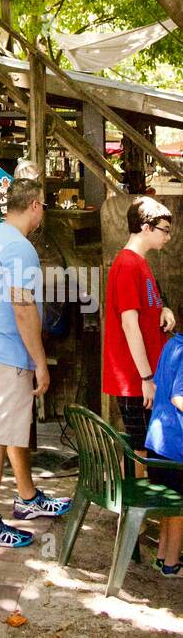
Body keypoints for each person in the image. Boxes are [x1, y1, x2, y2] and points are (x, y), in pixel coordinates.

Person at [0, 178, 71, 547]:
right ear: (35, 206)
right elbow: (23, 307)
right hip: (7, 350)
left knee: (11, 425)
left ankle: (27, 498)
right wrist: (40, 361)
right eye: (43, 204)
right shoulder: (21, 248)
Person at [102, 196, 176, 468]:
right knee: (141, 448)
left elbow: (145, 307)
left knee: (143, 444)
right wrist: (146, 377)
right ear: (146, 227)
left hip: (144, 375)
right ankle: (133, 506)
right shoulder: (127, 265)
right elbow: (129, 324)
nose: (168, 237)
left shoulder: (139, 263)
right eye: (164, 230)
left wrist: (163, 309)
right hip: (135, 377)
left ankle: (131, 505)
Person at [144, 328, 183, 576]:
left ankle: (161, 557)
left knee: (171, 505)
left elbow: (160, 385)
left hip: (156, 447)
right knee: (180, 508)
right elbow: (179, 398)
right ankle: (171, 565)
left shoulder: (171, 345)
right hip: (174, 450)